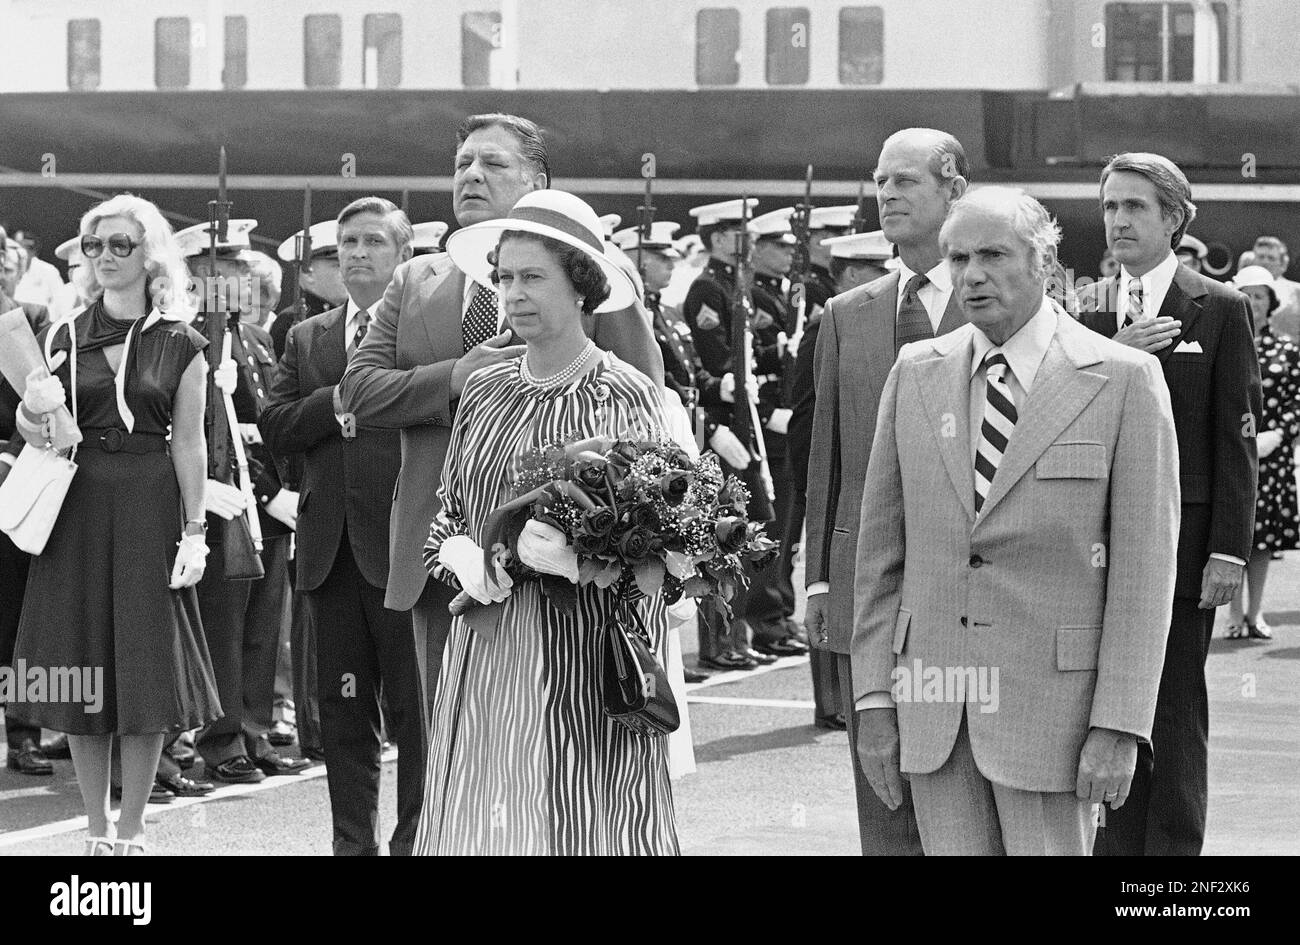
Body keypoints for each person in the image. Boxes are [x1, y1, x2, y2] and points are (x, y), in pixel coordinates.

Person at [853, 186, 1180, 855]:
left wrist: (1119, 723)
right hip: (935, 705)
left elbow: (1145, 576)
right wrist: (873, 700)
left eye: (994, 254)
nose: (971, 274)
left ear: (1046, 263)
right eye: (957, 257)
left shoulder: (1123, 380)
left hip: (1054, 719)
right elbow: (880, 556)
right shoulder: (915, 373)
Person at [339, 113, 662, 727]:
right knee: (453, 745)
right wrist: (454, 378)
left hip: (564, 563)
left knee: (555, 740)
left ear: (539, 180)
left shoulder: (585, 273)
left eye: (494, 164)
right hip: (446, 552)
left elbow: (646, 403)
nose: (472, 176)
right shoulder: (416, 279)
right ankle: (427, 830)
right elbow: (356, 391)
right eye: (463, 164)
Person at [414, 189, 677, 855]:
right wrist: (464, 556)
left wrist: (582, 558)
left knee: (577, 823)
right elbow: (445, 514)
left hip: (584, 661)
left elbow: (666, 556)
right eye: (504, 276)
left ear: (581, 285)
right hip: (487, 648)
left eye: (534, 276)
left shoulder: (626, 394)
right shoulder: (483, 387)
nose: (513, 292)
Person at [8, 194, 222, 854]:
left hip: (150, 503)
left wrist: (195, 530)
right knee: (79, 663)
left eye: (120, 245)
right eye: (93, 245)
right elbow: (33, 425)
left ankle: (130, 831)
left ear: (150, 255)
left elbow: (189, 443)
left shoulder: (183, 340)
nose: (103, 256)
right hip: (77, 501)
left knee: (144, 664)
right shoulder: (61, 334)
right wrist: (31, 414)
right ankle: (96, 829)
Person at [1077, 152, 1262, 857]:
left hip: (1185, 542)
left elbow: (1236, 432)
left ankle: (1172, 859)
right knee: (1105, 697)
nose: (1118, 220)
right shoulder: (1084, 306)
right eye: (1110, 206)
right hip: (1095, 537)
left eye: (1134, 207)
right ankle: (1114, 846)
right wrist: (1114, 352)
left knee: (1174, 698)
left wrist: (1229, 547)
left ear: (1174, 219)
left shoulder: (1218, 307)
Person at [805, 128, 970, 855]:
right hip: (866, 585)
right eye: (881, 180)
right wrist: (815, 578)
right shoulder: (848, 313)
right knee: (883, 793)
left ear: (953, 189)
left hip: (969, 588)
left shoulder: (997, 301)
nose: (888, 194)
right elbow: (828, 458)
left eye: (906, 180)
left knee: (968, 792)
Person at [260, 197, 428, 856]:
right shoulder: (307, 337)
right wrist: (337, 404)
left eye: (372, 242)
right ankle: (351, 845)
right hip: (333, 559)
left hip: (405, 552)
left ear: (404, 255)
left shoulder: (426, 333)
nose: (356, 253)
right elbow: (275, 425)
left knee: (416, 715)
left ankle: (416, 840)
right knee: (344, 709)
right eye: (346, 243)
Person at [177, 220, 308, 785]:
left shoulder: (251, 338)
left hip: (263, 507)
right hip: (223, 501)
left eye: (238, 266)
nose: (235, 276)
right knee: (224, 629)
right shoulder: (182, 338)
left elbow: (264, 426)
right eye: (221, 268)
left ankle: (253, 732)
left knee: (260, 627)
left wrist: (278, 493)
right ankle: (222, 738)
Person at [788, 228, 892, 730]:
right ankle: (830, 702)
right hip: (834, 477)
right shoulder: (830, 324)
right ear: (852, 273)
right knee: (832, 601)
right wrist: (812, 485)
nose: (885, 279)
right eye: (876, 272)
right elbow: (813, 416)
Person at [681, 198, 780, 672]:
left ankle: (734, 633)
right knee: (722, 530)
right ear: (720, 238)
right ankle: (719, 639)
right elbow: (718, 358)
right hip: (721, 421)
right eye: (743, 233)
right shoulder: (706, 287)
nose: (753, 242)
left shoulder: (732, 286)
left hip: (743, 417)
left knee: (745, 526)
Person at [1223, 266, 1300, 639]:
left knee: (1263, 538)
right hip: (1231, 453)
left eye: (1259, 296)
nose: (1253, 303)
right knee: (1231, 531)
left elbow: (1296, 402)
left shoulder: (1287, 349)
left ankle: (1256, 613)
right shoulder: (1226, 341)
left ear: (1270, 303)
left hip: (1272, 458)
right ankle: (1234, 614)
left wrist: (1278, 434)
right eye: (1247, 294)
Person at [745, 208, 808, 658]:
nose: (788, 254)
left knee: (787, 526)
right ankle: (767, 616)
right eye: (779, 246)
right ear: (759, 248)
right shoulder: (747, 293)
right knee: (769, 524)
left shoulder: (780, 294)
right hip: (762, 421)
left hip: (781, 419)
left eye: (790, 246)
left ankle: (780, 610)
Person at [1249, 235, 1300, 340]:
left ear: (1283, 264)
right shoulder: (1239, 290)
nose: (1265, 262)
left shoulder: (1297, 292)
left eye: (1271, 258)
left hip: (1287, 353)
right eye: (1261, 257)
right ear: (1253, 260)